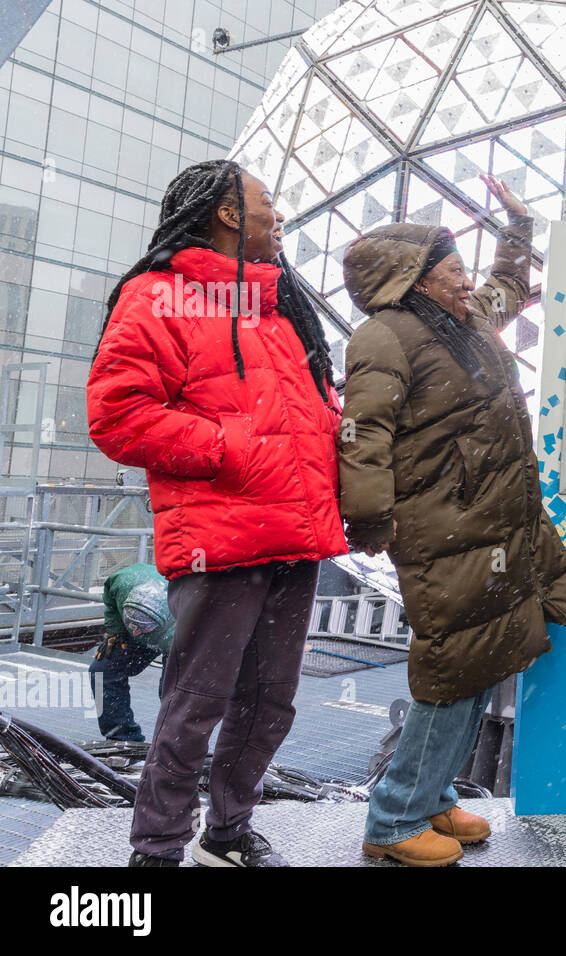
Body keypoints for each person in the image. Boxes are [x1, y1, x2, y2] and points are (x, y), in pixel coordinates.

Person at [86, 160, 348, 867]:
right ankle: (157, 851)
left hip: (296, 536)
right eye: (269, 205)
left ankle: (227, 834)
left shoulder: (279, 310)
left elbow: (312, 413)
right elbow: (118, 415)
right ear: (228, 213)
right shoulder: (157, 296)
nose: (278, 217)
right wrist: (234, 448)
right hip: (220, 541)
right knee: (195, 705)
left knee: (271, 703)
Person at [339, 175, 566, 867]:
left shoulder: (467, 319)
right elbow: (362, 433)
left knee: (484, 662)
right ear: (415, 280)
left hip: (492, 525)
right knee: (450, 668)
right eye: (451, 272)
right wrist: (369, 521)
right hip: (441, 530)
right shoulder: (384, 338)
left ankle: (432, 795)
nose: (465, 280)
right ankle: (392, 820)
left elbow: (508, 284)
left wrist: (517, 229)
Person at [89, 562, 174, 742]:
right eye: (133, 626)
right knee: (101, 671)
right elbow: (111, 602)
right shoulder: (121, 582)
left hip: (174, 639)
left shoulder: (178, 626)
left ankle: (172, 745)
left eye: (140, 629)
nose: (135, 633)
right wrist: (117, 632)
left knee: (172, 692)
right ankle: (121, 737)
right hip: (144, 624)